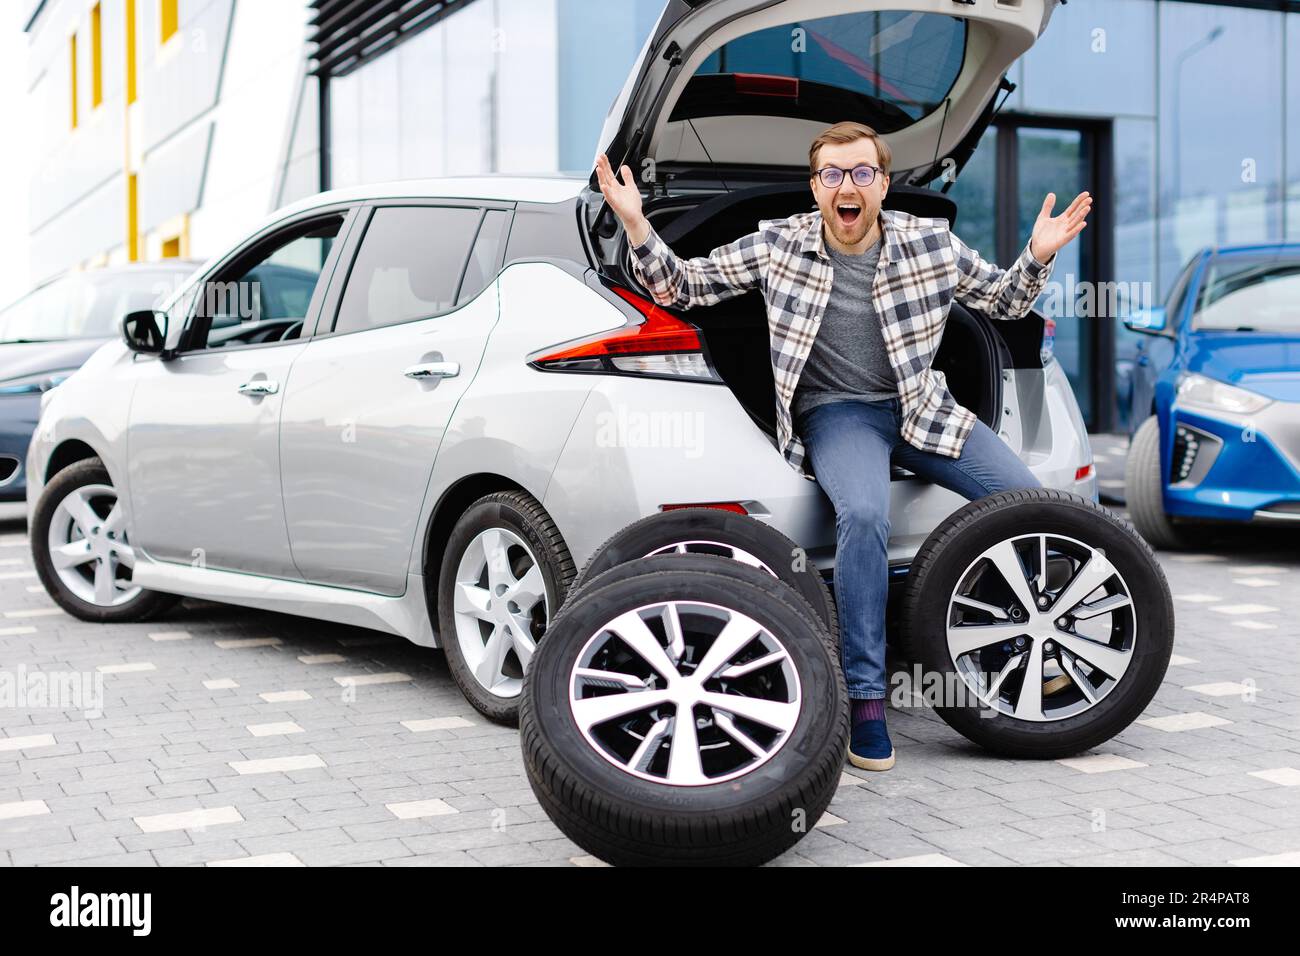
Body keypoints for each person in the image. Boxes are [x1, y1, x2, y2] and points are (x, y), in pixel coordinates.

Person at [596, 120, 1091, 771]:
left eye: (862, 172)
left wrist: (1038, 254)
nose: (847, 186)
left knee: (1031, 506)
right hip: (839, 416)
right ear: (815, 186)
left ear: (883, 184)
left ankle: (1006, 641)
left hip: (923, 409)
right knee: (862, 515)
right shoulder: (779, 243)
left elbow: (1001, 301)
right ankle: (866, 698)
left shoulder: (931, 242)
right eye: (832, 174)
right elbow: (683, 287)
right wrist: (636, 224)